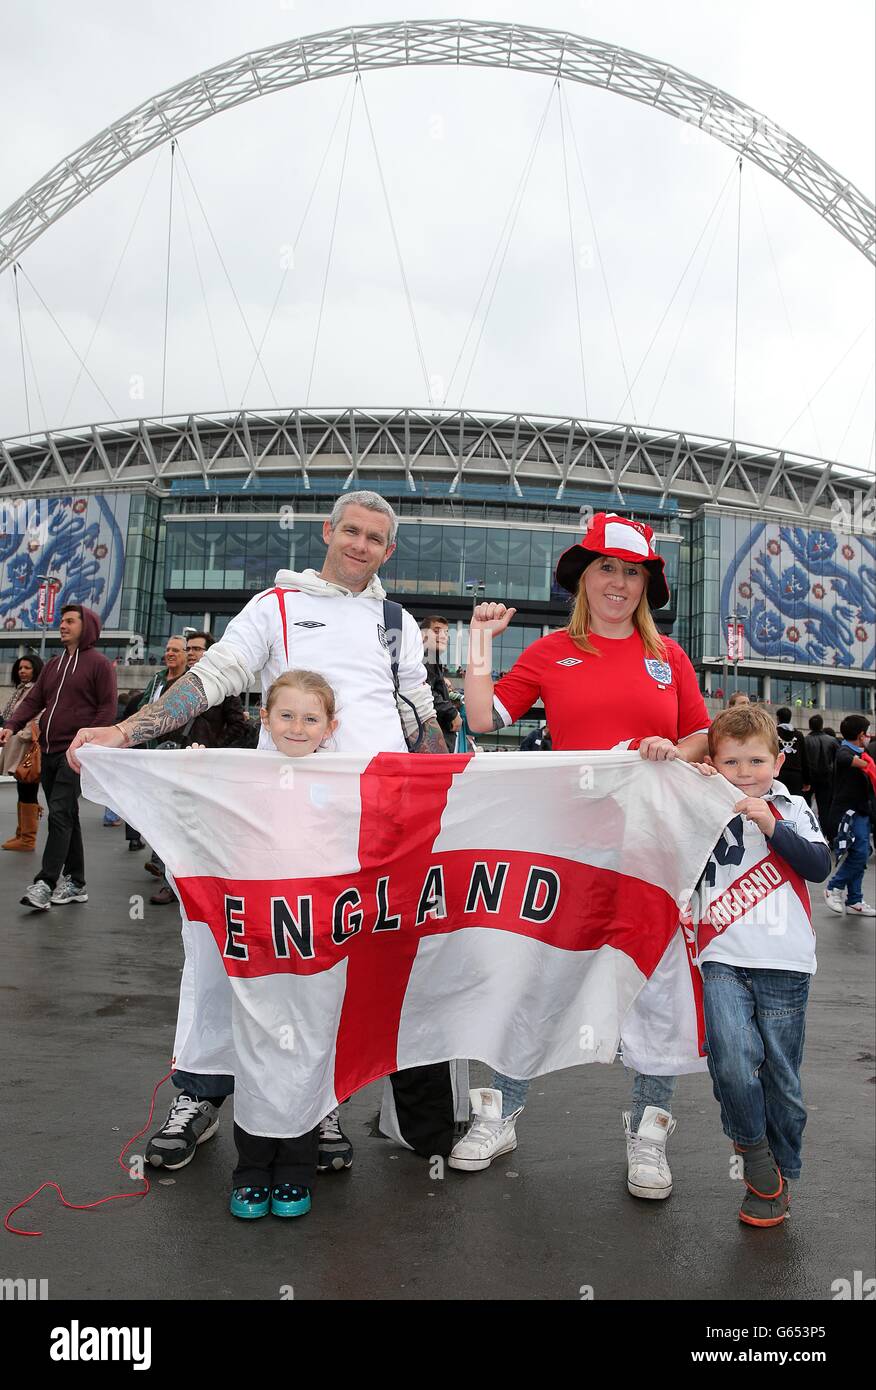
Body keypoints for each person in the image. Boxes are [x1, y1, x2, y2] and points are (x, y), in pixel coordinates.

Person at [68, 491, 451, 1175]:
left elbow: (420, 721)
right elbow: (213, 677)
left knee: (332, 964)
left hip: (370, 825)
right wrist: (128, 730)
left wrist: (461, 787)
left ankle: (317, 1101)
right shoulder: (275, 606)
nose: (361, 545)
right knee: (229, 949)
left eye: (376, 538)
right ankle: (199, 1093)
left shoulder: (396, 623)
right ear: (328, 531)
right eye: (351, 531)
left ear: (389, 551)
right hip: (276, 818)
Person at [453, 511, 710, 1199]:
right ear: (585, 578)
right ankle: (500, 1114)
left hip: (652, 849)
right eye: (606, 569)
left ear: (646, 584)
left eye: (631, 572)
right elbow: (484, 720)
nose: (618, 584)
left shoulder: (671, 659)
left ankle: (647, 1137)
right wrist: (479, 646)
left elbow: (702, 739)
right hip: (566, 847)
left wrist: (669, 749)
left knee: (653, 990)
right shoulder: (548, 653)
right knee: (536, 976)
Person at [694, 706, 831, 1226]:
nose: (745, 772)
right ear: (714, 762)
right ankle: (754, 1158)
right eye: (732, 761)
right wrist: (697, 782)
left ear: (777, 762)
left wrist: (771, 822)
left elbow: (819, 866)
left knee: (783, 1080)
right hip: (724, 954)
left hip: (786, 962)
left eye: (756, 760)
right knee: (731, 1061)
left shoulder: (792, 808)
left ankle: (782, 1171)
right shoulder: (705, 801)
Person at [226, 669, 339, 1220]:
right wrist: (195, 766)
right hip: (257, 941)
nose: (297, 727)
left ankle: (296, 1167)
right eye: (286, 715)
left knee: (310, 1048)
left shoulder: (347, 778)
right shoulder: (242, 775)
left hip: (320, 941)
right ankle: (250, 1169)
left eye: (310, 718)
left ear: (329, 727)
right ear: (264, 720)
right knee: (257, 1049)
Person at [1, 606, 116, 910]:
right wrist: (10, 726)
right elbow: (35, 701)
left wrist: (89, 746)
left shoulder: (100, 665)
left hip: (75, 753)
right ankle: (76, 882)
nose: (61, 625)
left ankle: (45, 882)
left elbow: (107, 710)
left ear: (86, 626)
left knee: (60, 814)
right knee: (66, 815)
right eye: (61, 621)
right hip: (48, 751)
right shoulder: (53, 665)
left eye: (69, 621)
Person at [148, 633, 255, 905]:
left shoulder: (225, 689)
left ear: (209, 653)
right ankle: (169, 878)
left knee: (197, 827)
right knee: (171, 822)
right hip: (175, 763)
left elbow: (238, 725)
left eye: (197, 649)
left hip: (204, 769)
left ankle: (197, 882)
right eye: (189, 649)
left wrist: (213, 750)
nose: (192, 653)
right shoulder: (178, 684)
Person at [823, 715, 876, 918]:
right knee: (860, 853)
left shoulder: (863, 753)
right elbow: (843, 759)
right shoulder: (845, 750)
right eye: (867, 732)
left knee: (860, 854)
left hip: (862, 811)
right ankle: (833, 887)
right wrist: (866, 766)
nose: (869, 735)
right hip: (849, 814)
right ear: (861, 734)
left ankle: (854, 899)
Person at [1, 654, 44, 852]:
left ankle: (27, 838)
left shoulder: (37, 690)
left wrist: (22, 735)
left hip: (26, 746)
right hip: (18, 745)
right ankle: (22, 834)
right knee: (23, 787)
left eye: (27, 668)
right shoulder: (20, 690)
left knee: (28, 788)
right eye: (20, 668)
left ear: (36, 669)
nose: (22, 671)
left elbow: (40, 715)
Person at [420, 615, 462, 752]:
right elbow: (426, 692)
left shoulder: (431, 658)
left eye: (446, 632)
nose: (443, 636)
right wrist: (452, 713)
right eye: (437, 631)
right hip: (430, 742)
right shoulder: (426, 657)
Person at [803, 713, 838, 827]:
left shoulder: (805, 740)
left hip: (810, 778)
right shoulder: (832, 741)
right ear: (821, 725)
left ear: (810, 726)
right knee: (825, 809)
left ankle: (809, 828)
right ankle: (826, 833)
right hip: (827, 779)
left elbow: (803, 761)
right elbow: (837, 761)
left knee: (806, 807)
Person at [773, 708, 811, 799]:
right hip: (796, 776)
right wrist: (807, 780)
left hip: (778, 774)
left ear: (778, 718)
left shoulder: (773, 733)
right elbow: (804, 758)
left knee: (777, 802)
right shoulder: (799, 735)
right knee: (794, 803)